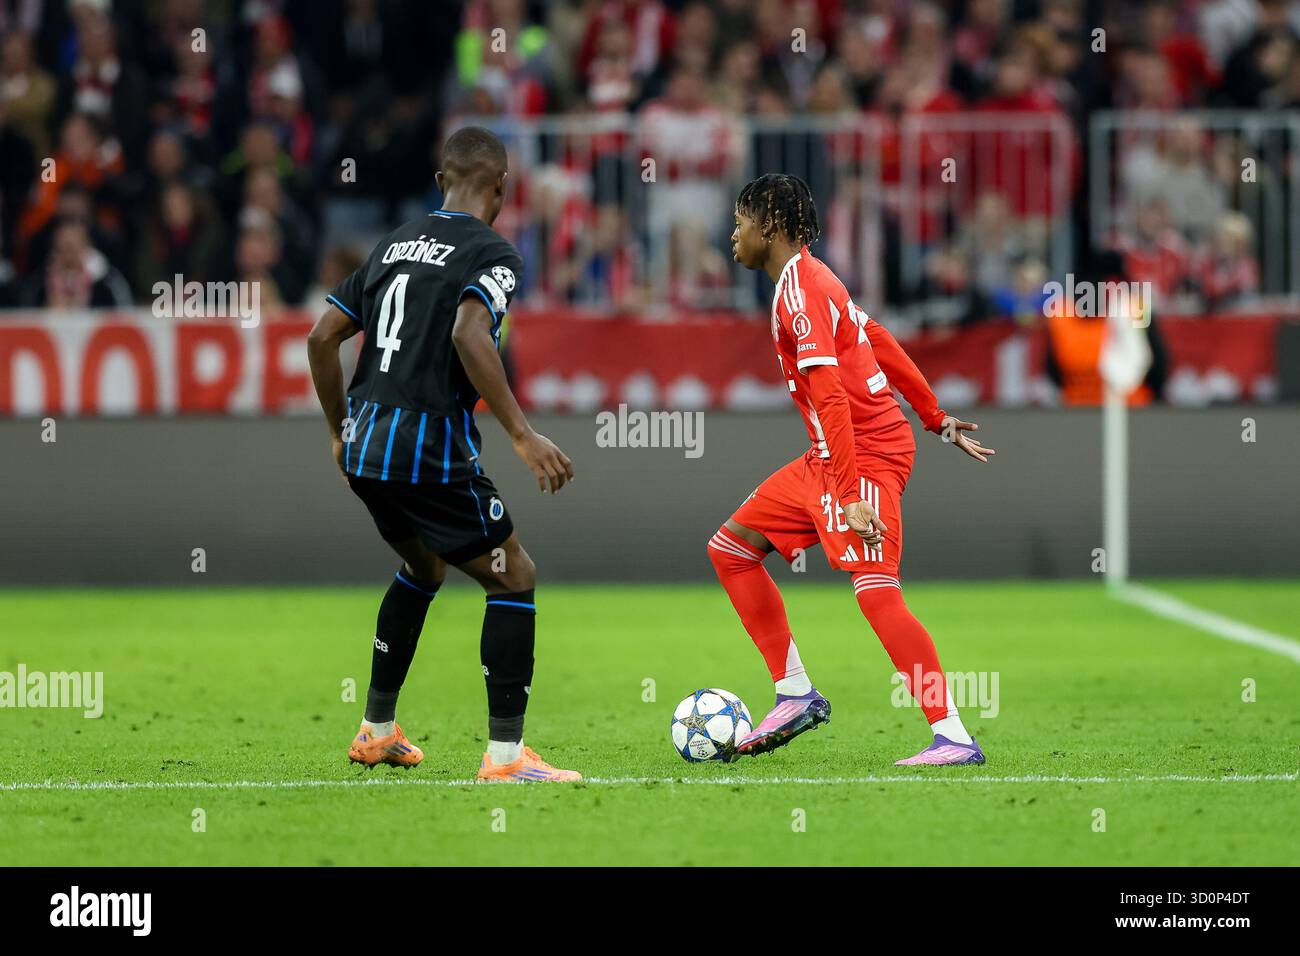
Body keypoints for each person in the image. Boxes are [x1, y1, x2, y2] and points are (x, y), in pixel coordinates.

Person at [306, 126, 580, 782]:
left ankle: (375, 730)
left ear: (440, 183)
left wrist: (339, 431)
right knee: (513, 574)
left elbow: (321, 337)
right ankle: (508, 758)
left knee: (423, 567)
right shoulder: (494, 252)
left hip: (367, 448)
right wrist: (521, 433)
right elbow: (468, 331)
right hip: (427, 449)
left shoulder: (393, 242)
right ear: (503, 188)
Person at [713, 173, 994, 766]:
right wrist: (934, 414)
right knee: (731, 548)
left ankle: (953, 735)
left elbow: (834, 398)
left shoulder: (802, 291)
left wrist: (850, 491)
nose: (732, 233)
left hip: (861, 452)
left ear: (768, 224)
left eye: (740, 221)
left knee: (876, 593)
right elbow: (879, 338)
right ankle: (794, 693)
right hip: (834, 456)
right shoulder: (815, 278)